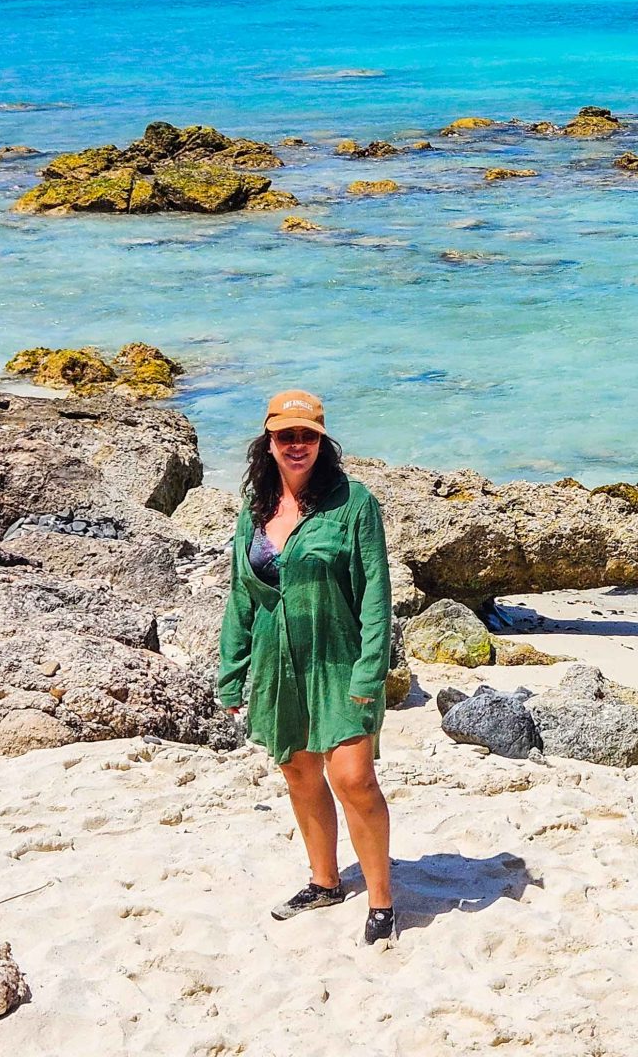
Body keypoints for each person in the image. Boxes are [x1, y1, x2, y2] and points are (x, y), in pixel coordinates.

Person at [216, 389, 397, 946]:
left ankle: (382, 900)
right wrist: (231, 669)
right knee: (297, 771)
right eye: (286, 436)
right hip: (277, 662)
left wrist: (371, 671)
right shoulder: (255, 510)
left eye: (308, 436)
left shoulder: (354, 503)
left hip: (339, 658)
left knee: (354, 778)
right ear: (268, 442)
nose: (297, 445)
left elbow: (375, 595)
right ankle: (324, 882)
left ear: (323, 441)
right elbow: (241, 596)